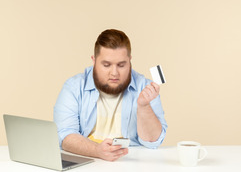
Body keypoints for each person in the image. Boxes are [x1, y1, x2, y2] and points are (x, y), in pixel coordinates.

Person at [54, 29, 167, 161]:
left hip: (131, 163)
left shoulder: (145, 88)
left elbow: (153, 142)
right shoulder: (73, 87)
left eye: (121, 65)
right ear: (94, 60)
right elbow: (65, 136)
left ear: (129, 60)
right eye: (106, 65)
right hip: (88, 159)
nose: (114, 73)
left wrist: (144, 106)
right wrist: (97, 150)